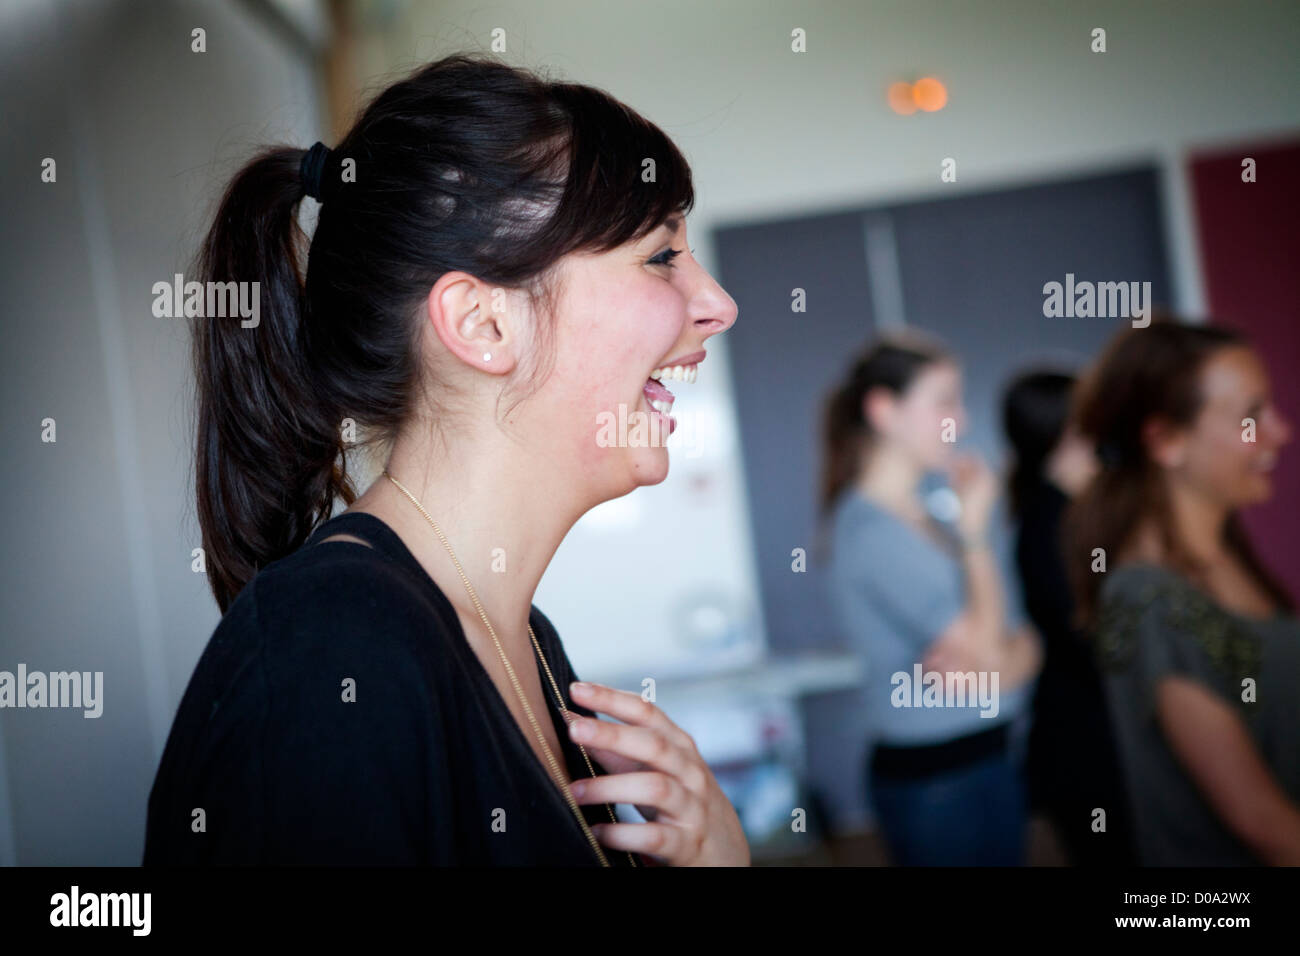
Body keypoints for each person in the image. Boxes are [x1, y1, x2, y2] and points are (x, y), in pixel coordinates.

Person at [143, 54, 748, 866]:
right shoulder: (326, 659)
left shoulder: (522, 638)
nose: (718, 305)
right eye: (661, 256)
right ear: (483, 324)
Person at [1066, 319, 1300, 865]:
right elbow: (1262, 822)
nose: (1280, 431)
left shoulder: (1227, 553)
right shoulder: (1149, 600)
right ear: (1166, 441)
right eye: (1250, 417)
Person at [820, 333, 1042, 865]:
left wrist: (1007, 656)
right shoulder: (869, 529)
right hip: (934, 782)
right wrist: (975, 537)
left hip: (992, 756)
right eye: (944, 401)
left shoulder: (936, 511)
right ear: (884, 410)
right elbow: (997, 651)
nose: (959, 422)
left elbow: (1025, 637)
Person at [1002, 369, 1135, 865]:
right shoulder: (1047, 523)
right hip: (1087, 747)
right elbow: (1093, 641)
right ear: (1070, 428)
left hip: (1097, 737)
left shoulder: (1076, 510)